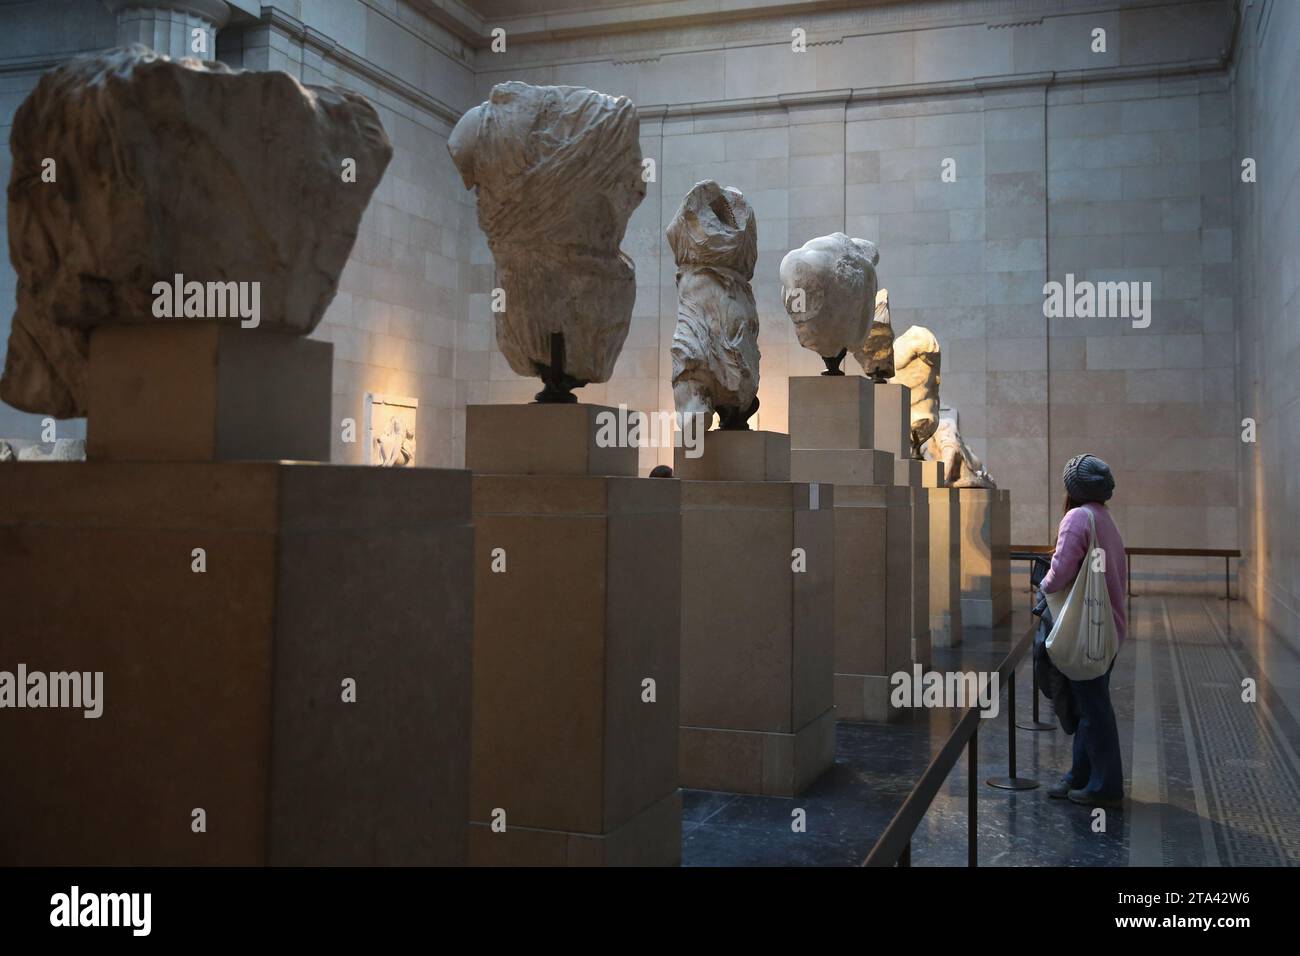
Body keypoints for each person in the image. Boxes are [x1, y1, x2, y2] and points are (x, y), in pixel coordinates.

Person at [1039, 454, 1127, 809]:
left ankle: (1105, 785)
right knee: (1090, 703)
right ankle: (1080, 775)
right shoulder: (1104, 517)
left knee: (1093, 709)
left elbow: (1059, 573)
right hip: (1108, 628)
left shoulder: (1077, 517)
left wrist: (1041, 585)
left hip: (1088, 629)